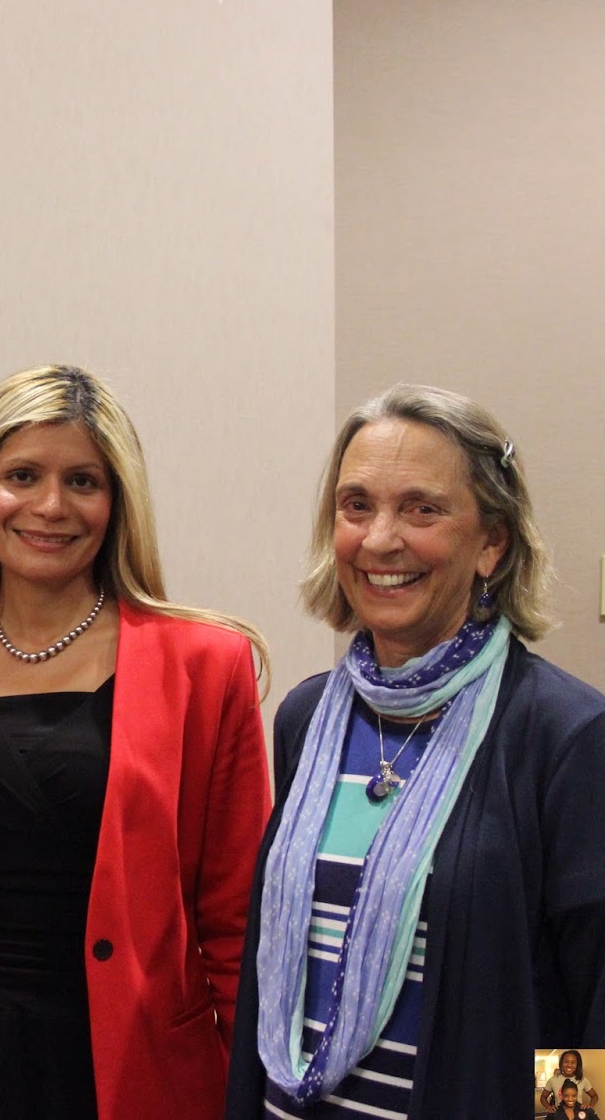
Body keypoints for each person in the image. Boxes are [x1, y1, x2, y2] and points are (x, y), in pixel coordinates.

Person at [0, 365, 271, 1119]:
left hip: (134, 1072)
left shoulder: (206, 667)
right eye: (22, 475)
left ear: (117, 501)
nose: (50, 507)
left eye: (84, 482)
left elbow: (238, 924)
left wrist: (249, 1094)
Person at [226, 385, 605, 1119]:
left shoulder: (567, 736)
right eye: (356, 505)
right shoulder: (307, 719)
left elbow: (595, 1011)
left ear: (491, 541)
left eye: (422, 509)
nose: (379, 540)